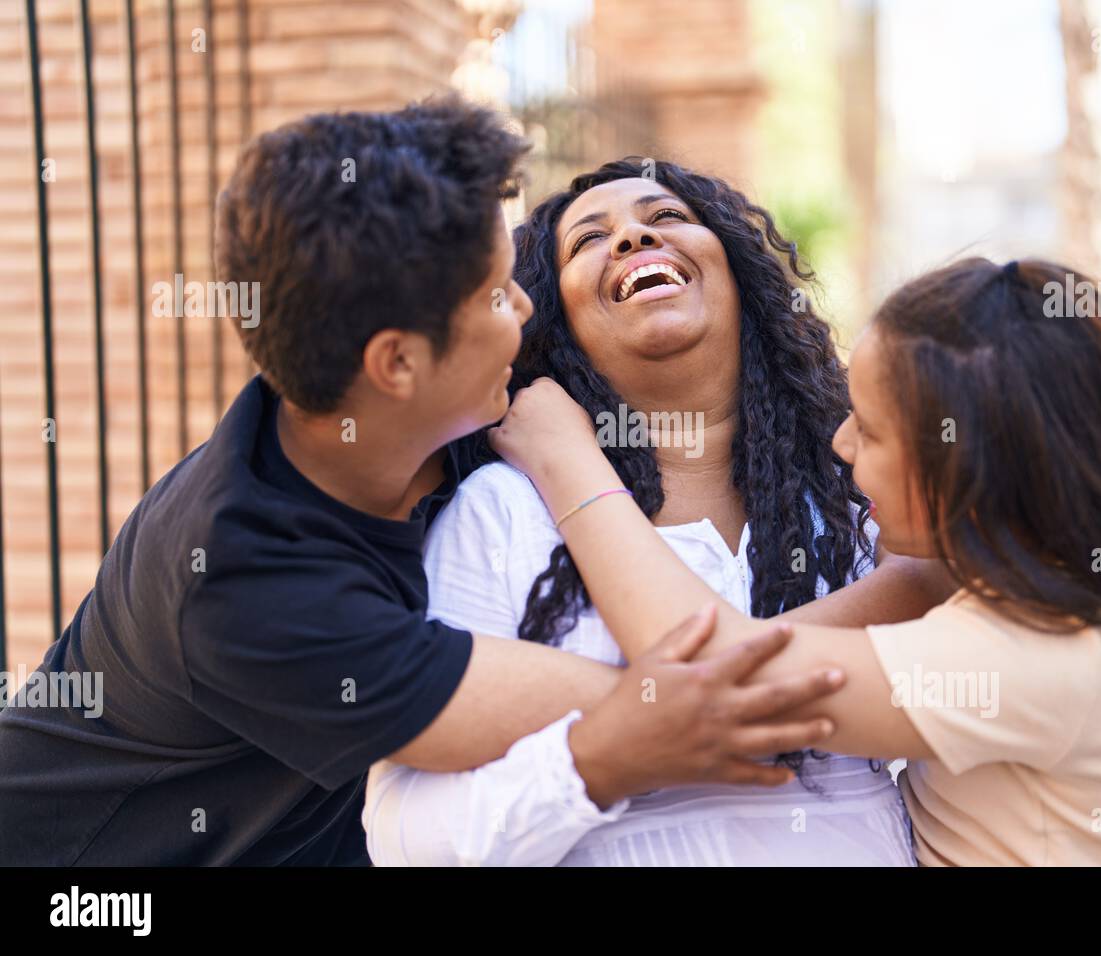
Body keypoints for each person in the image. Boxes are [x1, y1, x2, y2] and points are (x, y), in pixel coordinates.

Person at [0, 100, 847, 866]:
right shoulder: (254, 584)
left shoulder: (429, 431)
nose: (523, 307)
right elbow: (689, 701)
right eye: (493, 294)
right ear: (398, 363)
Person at [488, 255, 1101, 865]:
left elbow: (723, 673)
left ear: (972, 463)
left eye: (873, 429)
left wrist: (574, 467)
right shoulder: (1041, 595)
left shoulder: (1042, 646)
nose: (841, 443)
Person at [364, 160, 952, 866]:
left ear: (740, 274)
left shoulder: (861, 500)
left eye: (666, 218)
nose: (634, 237)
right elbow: (403, 835)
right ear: (555, 319)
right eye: (588, 240)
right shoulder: (503, 515)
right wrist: (598, 763)